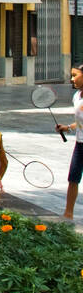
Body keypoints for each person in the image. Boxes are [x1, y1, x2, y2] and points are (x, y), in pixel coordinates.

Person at [53, 64, 83, 219]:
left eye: (75, 75)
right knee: (73, 177)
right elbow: (80, 122)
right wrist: (67, 128)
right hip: (80, 144)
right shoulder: (76, 96)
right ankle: (68, 213)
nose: (72, 79)